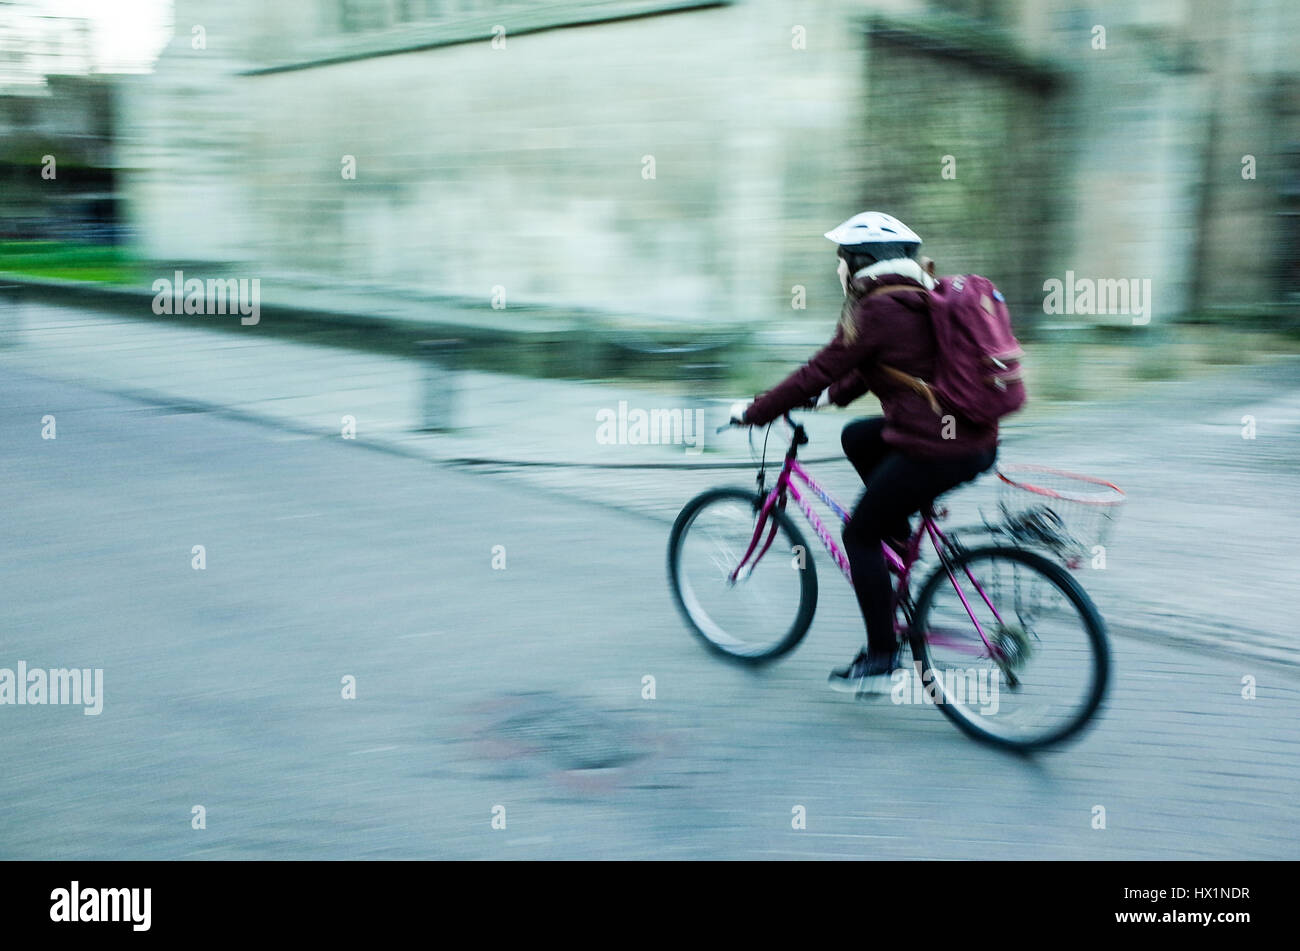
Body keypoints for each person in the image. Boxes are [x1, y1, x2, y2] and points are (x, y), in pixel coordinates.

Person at [730, 212, 998, 696]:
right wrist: (829, 398)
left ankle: (882, 654)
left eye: (841, 258)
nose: (838, 268)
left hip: (936, 448)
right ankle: (898, 533)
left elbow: (819, 367)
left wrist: (757, 411)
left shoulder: (875, 308)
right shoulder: (919, 295)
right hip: (972, 440)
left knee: (858, 533)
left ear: (860, 261)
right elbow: (876, 366)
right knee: (858, 437)